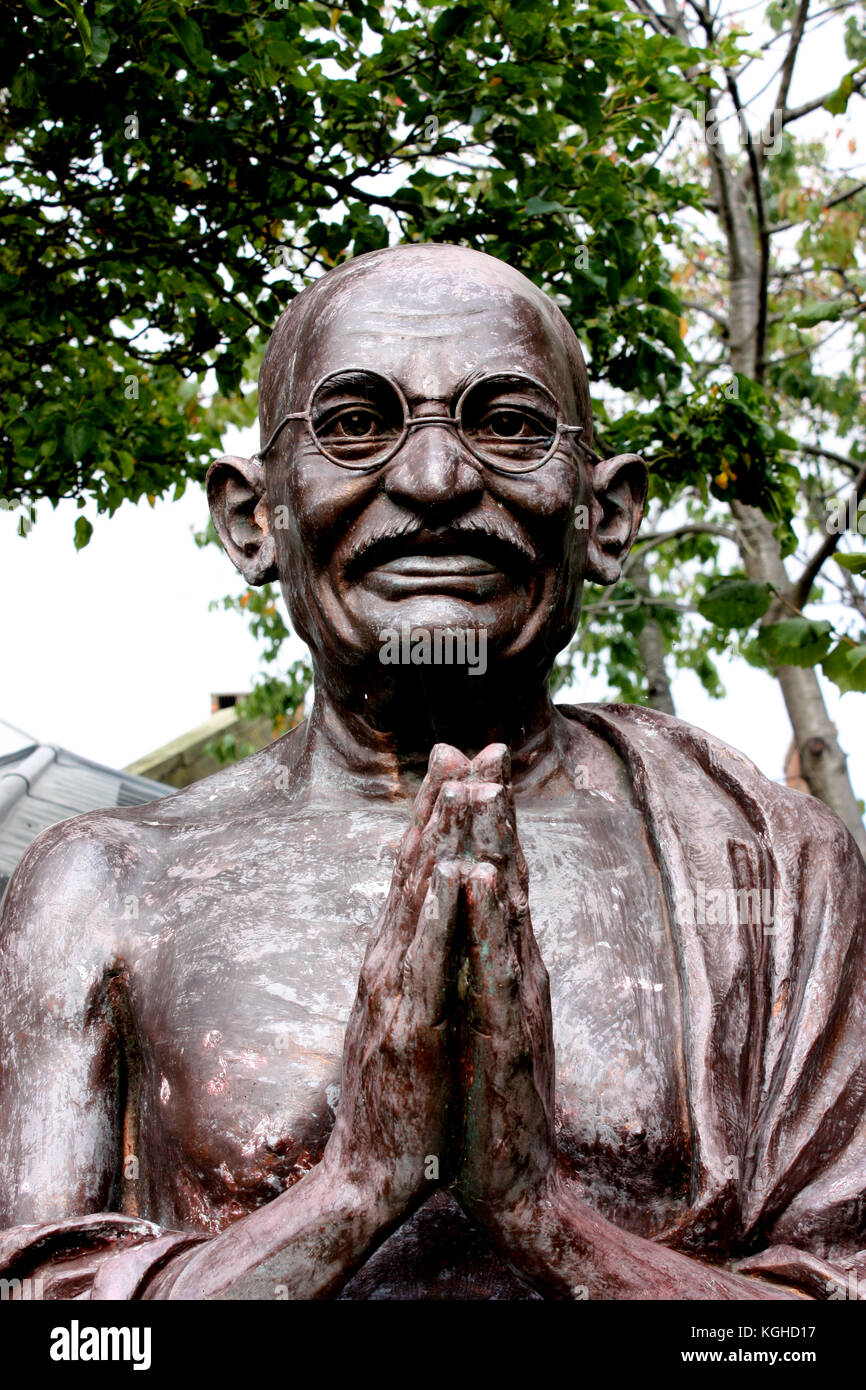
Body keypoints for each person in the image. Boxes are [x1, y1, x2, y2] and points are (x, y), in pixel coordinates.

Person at [1, 244, 864, 1301]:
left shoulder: (767, 873)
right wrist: (354, 1188)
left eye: (506, 424)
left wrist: (544, 1220)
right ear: (250, 515)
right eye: (354, 423)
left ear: (605, 513)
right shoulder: (103, 886)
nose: (434, 480)